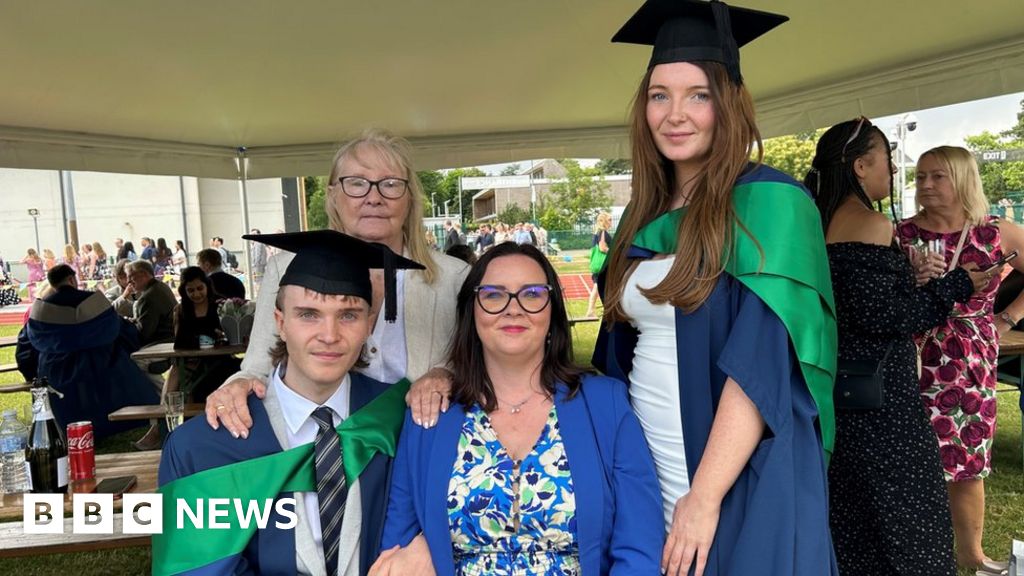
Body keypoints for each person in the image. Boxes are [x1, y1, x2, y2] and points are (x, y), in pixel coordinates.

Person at [597, 2, 839, 574]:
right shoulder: (642, 212)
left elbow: (760, 367)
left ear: (729, 103)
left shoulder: (771, 205)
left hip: (733, 471)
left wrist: (703, 499)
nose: (675, 114)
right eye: (659, 95)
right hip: (646, 464)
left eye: (698, 94)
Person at [375, 242, 663, 575]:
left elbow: (639, 548)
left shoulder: (605, 405)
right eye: (494, 295)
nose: (514, 308)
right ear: (473, 311)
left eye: (532, 293)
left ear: (551, 309)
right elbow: (396, 547)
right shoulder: (432, 414)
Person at [157, 230, 430, 576]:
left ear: (368, 324)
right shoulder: (202, 447)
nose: (329, 335)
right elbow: (196, 567)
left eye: (348, 315)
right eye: (308, 314)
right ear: (280, 323)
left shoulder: (401, 419)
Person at [808, 120, 993, 575]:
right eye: (887, 163)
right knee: (912, 525)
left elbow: (852, 303)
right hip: (882, 400)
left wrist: (906, 281)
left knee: (852, 519)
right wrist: (954, 284)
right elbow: (886, 320)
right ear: (860, 166)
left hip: (834, 387)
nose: (893, 173)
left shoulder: (815, 220)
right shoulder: (869, 221)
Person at [204, 130, 469, 439]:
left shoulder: (453, 279)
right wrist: (235, 386)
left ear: (409, 198)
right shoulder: (284, 270)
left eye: (391, 184)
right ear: (332, 195)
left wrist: (444, 374)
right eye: (356, 183)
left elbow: (477, 366)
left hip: (419, 445)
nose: (374, 197)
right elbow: (257, 367)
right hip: (322, 450)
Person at [896, 145, 1024, 573]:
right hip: (913, 356)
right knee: (911, 457)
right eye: (922, 177)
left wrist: (1006, 318)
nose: (926, 185)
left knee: (968, 459)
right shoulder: (899, 234)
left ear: (964, 178)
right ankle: (914, 552)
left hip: (969, 357)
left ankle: (971, 554)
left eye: (938, 176)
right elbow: (883, 301)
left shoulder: (995, 232)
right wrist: (912, 282)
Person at [15, 264, 159, 439]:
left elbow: (25, 347)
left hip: (58, 374)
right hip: (106, 368)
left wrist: (30, 374)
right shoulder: (95, 303)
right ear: (71, 279)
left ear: (52, 283)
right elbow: (125, 332)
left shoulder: (41, 310)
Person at [167, 266, 240, 402]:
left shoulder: (221, 304)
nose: (196, 294)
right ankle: (166, 412)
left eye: (200, 288)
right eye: (191, 290)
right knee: (178, 373)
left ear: (207, 285)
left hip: (220, 361)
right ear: (184, 291)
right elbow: (180, 342)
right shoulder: (181, 310)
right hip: (192, 362)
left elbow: (232, 336)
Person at [586, 211, 613, 317]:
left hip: (598, 265)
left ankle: (593, 310)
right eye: (609, 220)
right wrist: (613, 252)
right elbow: (602, 248)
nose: (611, 222)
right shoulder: (603, 233)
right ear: (605, 221)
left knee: (600, 287)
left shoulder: (597, 232)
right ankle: (591, 310)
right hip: (603, 265)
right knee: (598, 287)